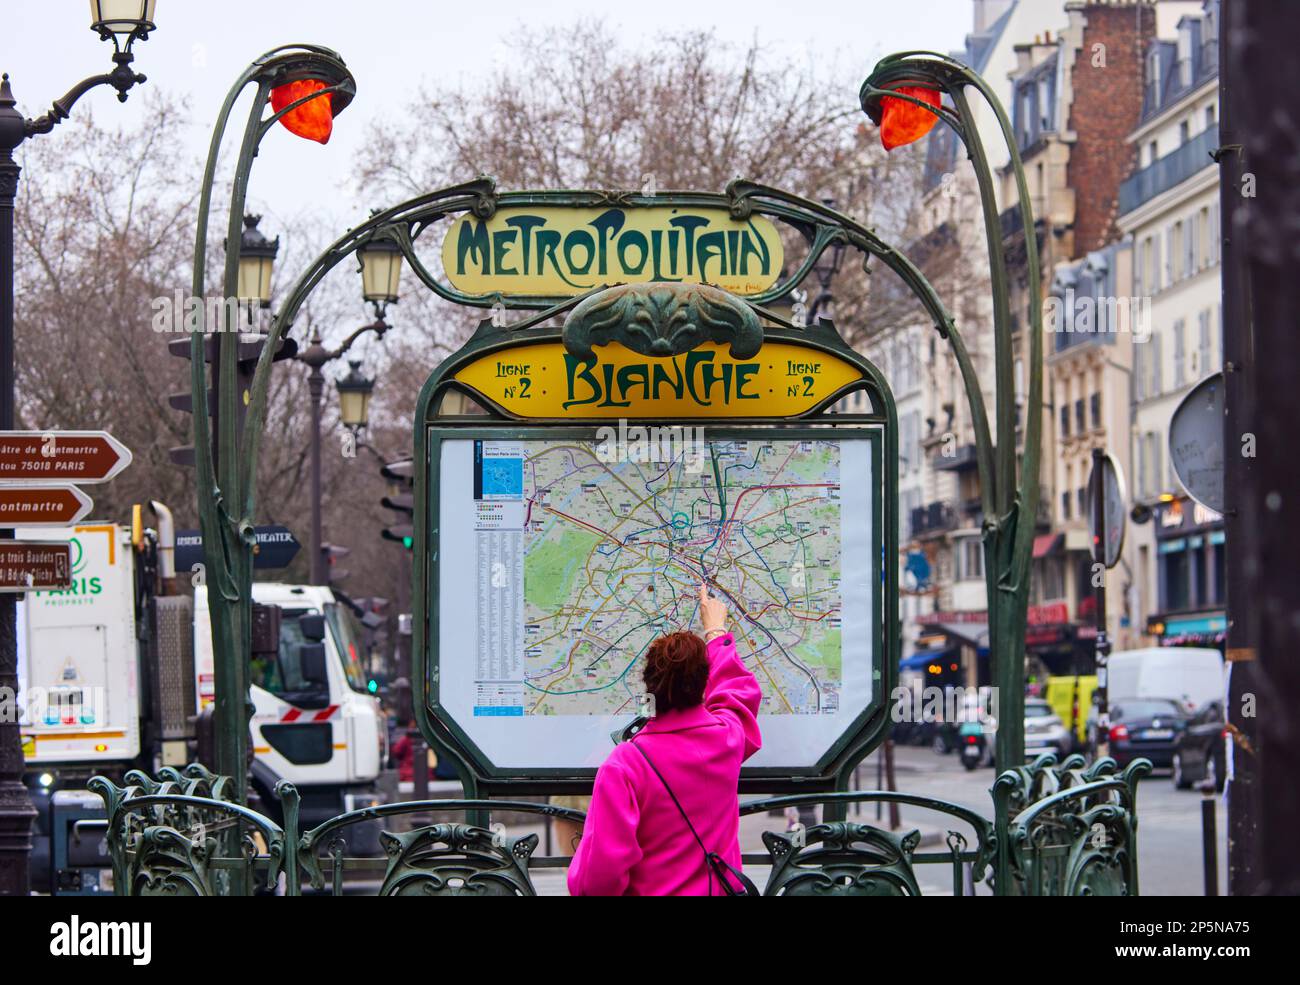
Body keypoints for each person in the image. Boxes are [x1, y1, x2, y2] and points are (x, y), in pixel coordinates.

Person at [567, 581, 762, 896]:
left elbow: (597, 881)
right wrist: (715, 631)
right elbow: (736, 695)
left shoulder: (625, 765)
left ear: (649, 687)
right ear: (703, 684)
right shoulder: (726, 740)